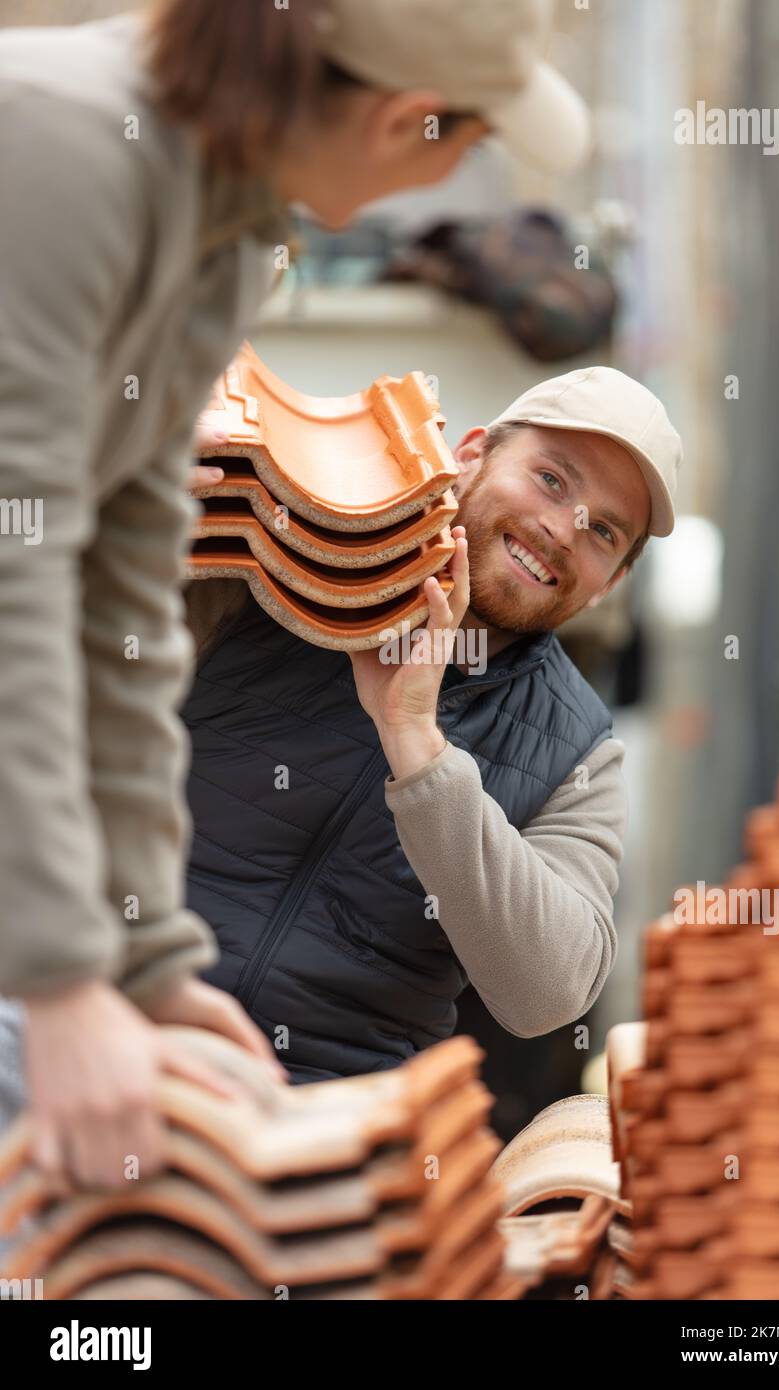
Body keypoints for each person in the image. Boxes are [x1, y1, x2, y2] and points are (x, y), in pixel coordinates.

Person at [0, 0, 591, 1189]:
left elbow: (112, 599)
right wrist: (63, 982)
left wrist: (152, 964)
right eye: (462, 141)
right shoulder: (61, 145)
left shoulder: (220, 234)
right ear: (395, 118)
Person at [183, 368, 683, 1082]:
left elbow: (546, 993)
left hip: (333, 1119)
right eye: (551, 479)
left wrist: (416, 742)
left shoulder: (582, 752)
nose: (564, 529)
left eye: (604, 530)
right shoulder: (281, 557)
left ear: (612, 582)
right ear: (470, 455)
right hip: (115, 1033)